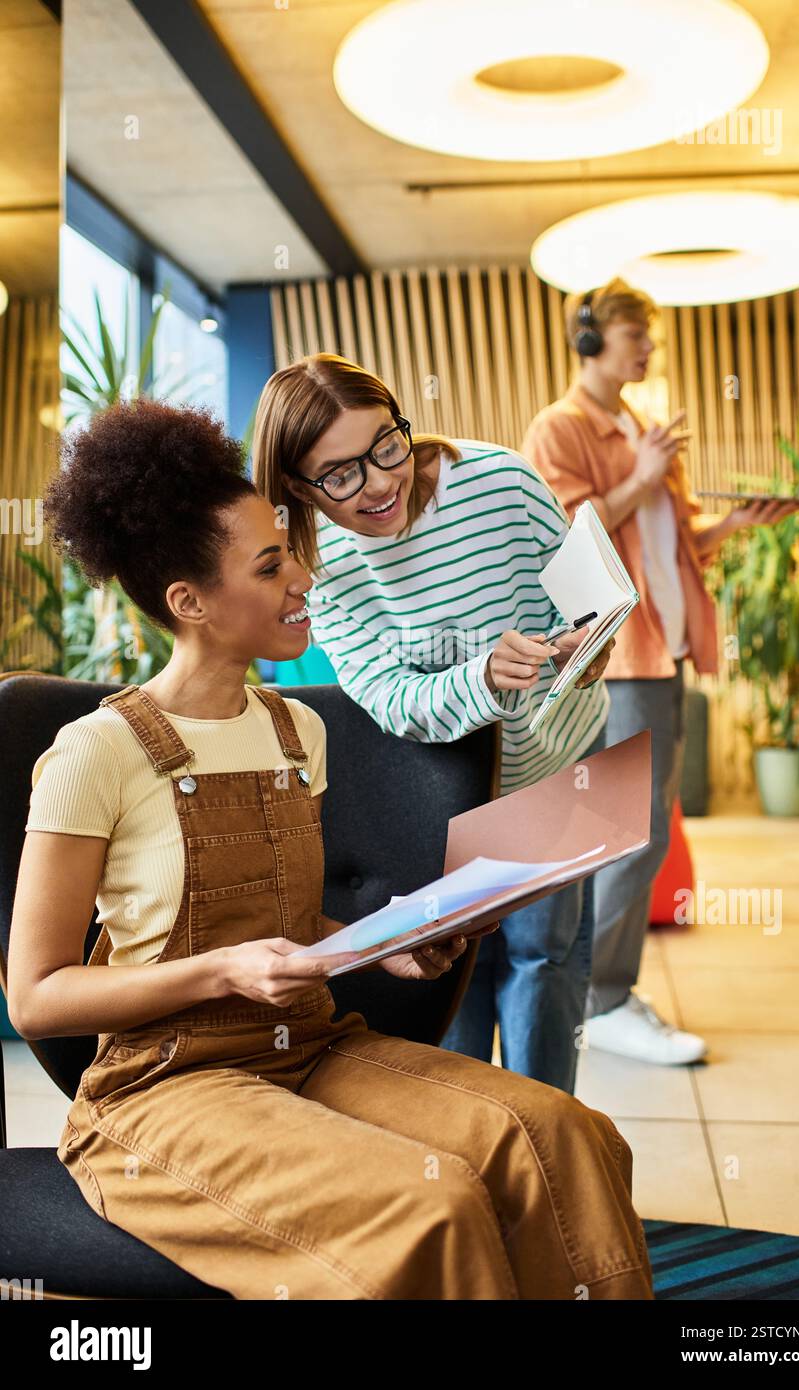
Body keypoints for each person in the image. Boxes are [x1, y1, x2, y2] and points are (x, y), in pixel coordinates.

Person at [7, 397, 653, 1300]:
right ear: (189, 602)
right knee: (433, 1212)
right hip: (164, 1090)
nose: (307, 576)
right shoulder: (96, 753)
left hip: (305, 1048)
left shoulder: (293, 729)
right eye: (273, 565)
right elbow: (37, 996)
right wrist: (225, 972)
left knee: (561, 1137)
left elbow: (275, 917)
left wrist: (380, 942)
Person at [252, 353, 616, 1096]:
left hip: (558, 754)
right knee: (450, 975)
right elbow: (388, 698)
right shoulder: (317, 566)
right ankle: (473, 1147)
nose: (381, 482)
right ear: (296, 485)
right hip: (442, 790)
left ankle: (548, 1138)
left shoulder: (503, 482)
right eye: (342, 474)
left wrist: (593, 640)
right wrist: (480, 678)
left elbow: (581, 613)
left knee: (547, 959)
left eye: (386, 445)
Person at [521, 278, 799, 1066]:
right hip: (619, 655)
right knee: (624, 831)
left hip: (664, 648)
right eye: (633, 335)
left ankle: (596, 993)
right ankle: (601, 1000)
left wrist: (734, 524)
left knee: (639, 829)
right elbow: (565, 538)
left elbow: (676, 541)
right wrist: (641, 477)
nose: (646, 348)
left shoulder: (642, 427)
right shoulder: (561, 428)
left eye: (648, 336)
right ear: (589, 341)